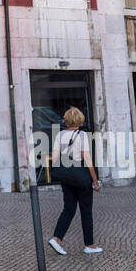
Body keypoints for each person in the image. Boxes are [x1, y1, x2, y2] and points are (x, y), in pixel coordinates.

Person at [48, 106, 103, 255]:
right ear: (79, 120)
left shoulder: (59, 135)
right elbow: (88, 160)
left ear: (66, 120)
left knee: (68, 209)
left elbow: (54, 158)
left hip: (67, 176)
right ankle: (89, 245)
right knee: (86, 211)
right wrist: (95, 181)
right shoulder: (82, 135)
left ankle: (57, 238)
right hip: (81, 176)